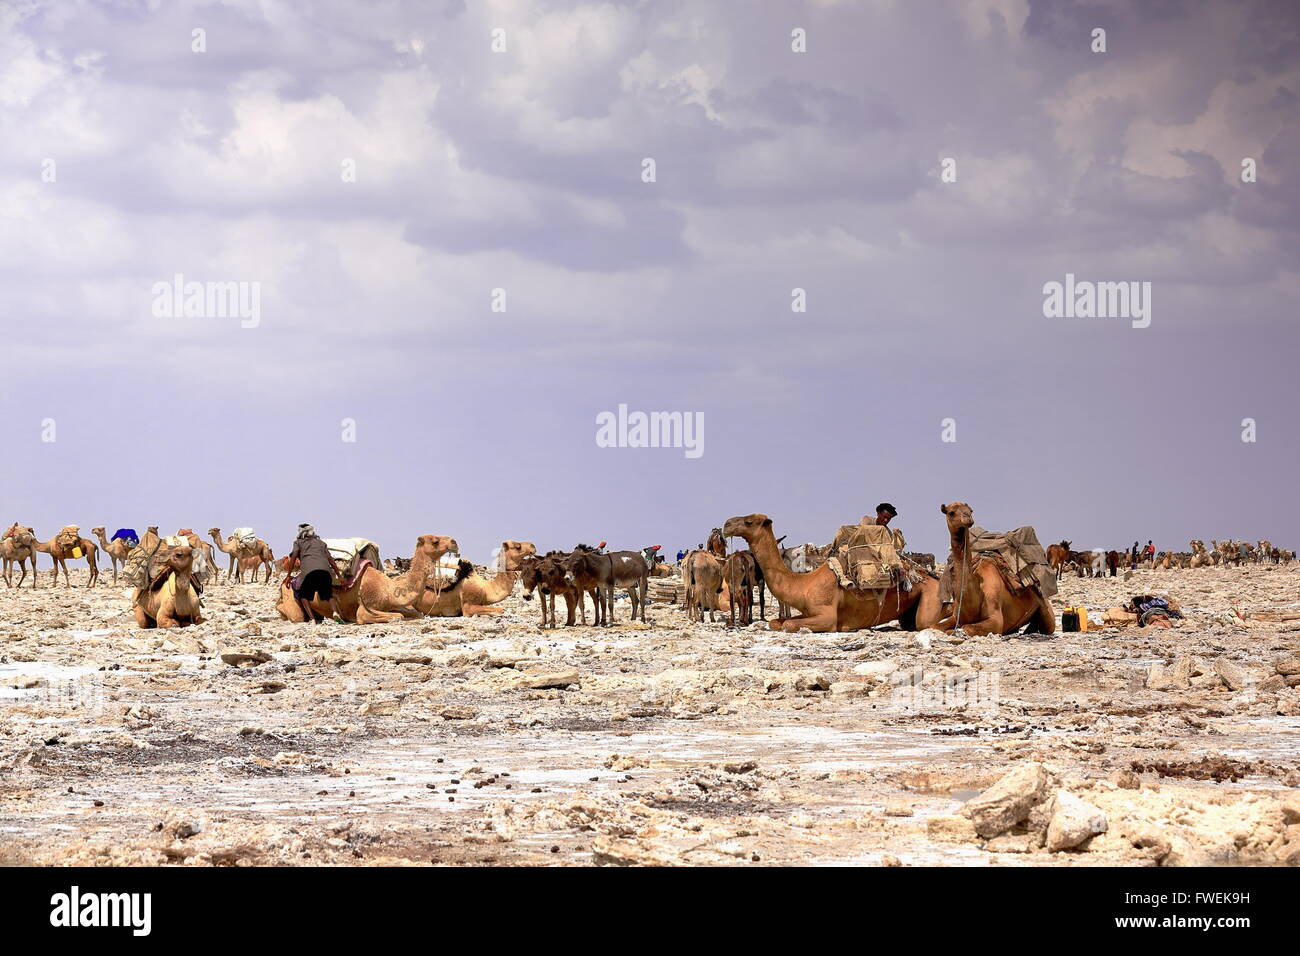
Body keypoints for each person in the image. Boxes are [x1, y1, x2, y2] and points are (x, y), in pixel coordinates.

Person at [286, 524, 343, 623]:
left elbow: (294, 557)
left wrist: (288, 575)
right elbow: (331, 560)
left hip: (309, 572)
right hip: (325, 571)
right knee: (328, 594)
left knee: (303, 595)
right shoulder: (321, 543)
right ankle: (335, 612)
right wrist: (339, 576)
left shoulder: (298, 543)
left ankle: (312, 619)